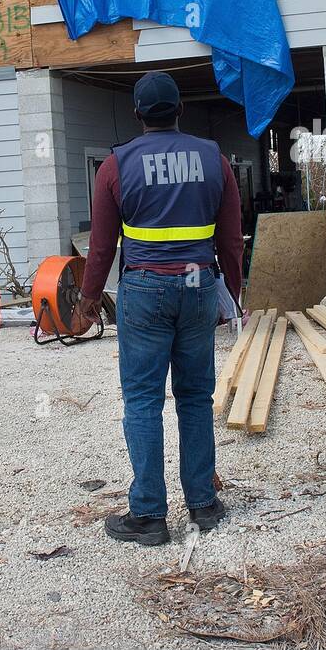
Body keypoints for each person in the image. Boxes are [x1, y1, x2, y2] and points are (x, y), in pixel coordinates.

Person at [76, 72, 244, 546]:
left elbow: (103, 246)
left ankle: (149, 516)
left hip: (145, 290)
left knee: (144, 401)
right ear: (180, 110)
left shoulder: (116, 165)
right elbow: (230, 239)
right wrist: (233, 293)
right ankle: (204, 505)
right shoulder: (214, 159)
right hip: (197, 288)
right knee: (194, 397)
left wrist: (89, 300)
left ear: (137, 115)